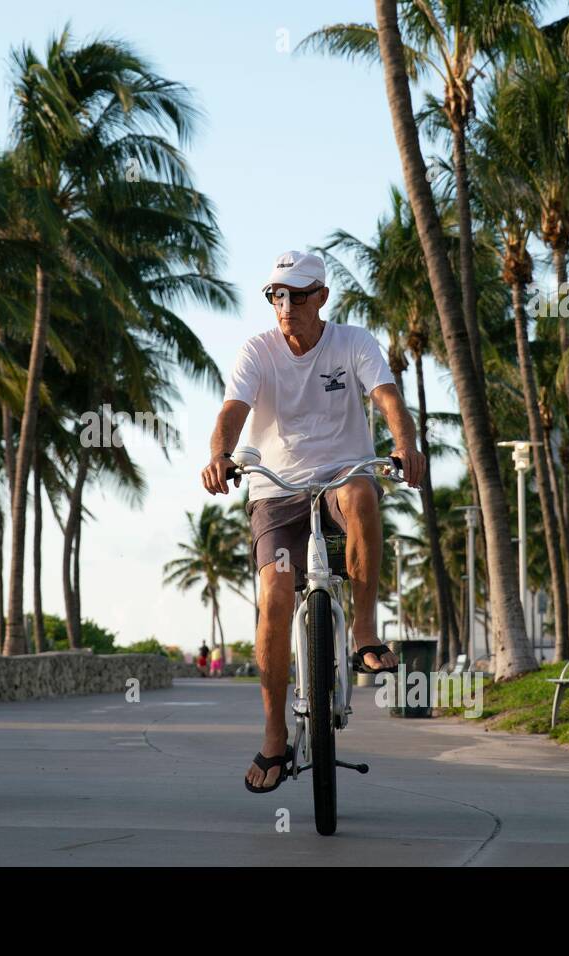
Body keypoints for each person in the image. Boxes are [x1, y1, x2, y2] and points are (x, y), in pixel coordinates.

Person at [200, 251, 425, 793]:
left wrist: (405, 445)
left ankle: (365, 633)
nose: (286, 306)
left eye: (298, 295)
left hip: (340, 477)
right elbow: (231, 412)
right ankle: (275, 736)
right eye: (277, 296)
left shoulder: (353, 343)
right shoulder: (258, 350)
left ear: (322, 297)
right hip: (275, 488)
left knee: (363, 493)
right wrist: (219, 455)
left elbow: (387, 397)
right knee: (276, 594)